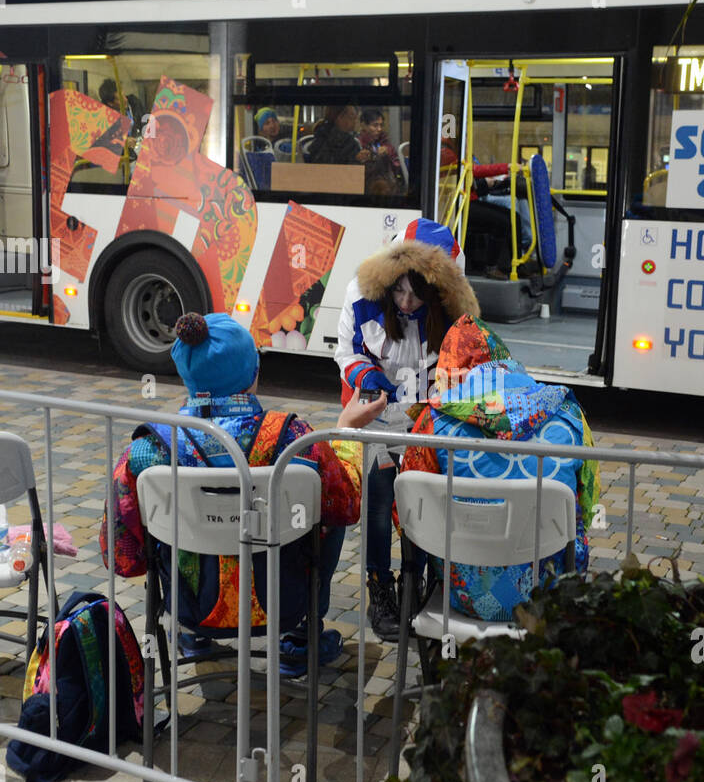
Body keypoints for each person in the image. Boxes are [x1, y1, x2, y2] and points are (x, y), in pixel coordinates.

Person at [100, 312, 385, 676]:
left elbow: (121, 556)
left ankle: (191, 635)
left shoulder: (148, 451)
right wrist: (345, 430)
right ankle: (300, 638)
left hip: (189, 604)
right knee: (323, 505)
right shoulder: (295, 438)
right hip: (282, 601)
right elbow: (346, 504)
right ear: (253, 373)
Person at [399, 314, 601, 621]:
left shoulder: (432, 423)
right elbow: (587, 504)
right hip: (550, 589)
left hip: (465, 593)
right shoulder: (570, 415)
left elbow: (409, 516)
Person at [334, 219, 479, 641]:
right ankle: (380, 587)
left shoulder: (454, 311)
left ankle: (419, 580)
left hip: (426, 418)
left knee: (423, 500)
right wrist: (364, 375)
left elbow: (465, 366)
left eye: (418, 294)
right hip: (375, 414)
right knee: (378, 504)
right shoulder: (361, 293)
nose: (406, 301)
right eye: (398, 290)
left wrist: (443, 395)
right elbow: (345, 348)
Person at [357, 108, 400, 194]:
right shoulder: (358, 145)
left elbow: (397, 165)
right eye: (375, 125)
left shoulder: (385, 143)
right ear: (363, 125)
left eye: (381, 125)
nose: (379, 129)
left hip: (388, 186)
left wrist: (388, 153)